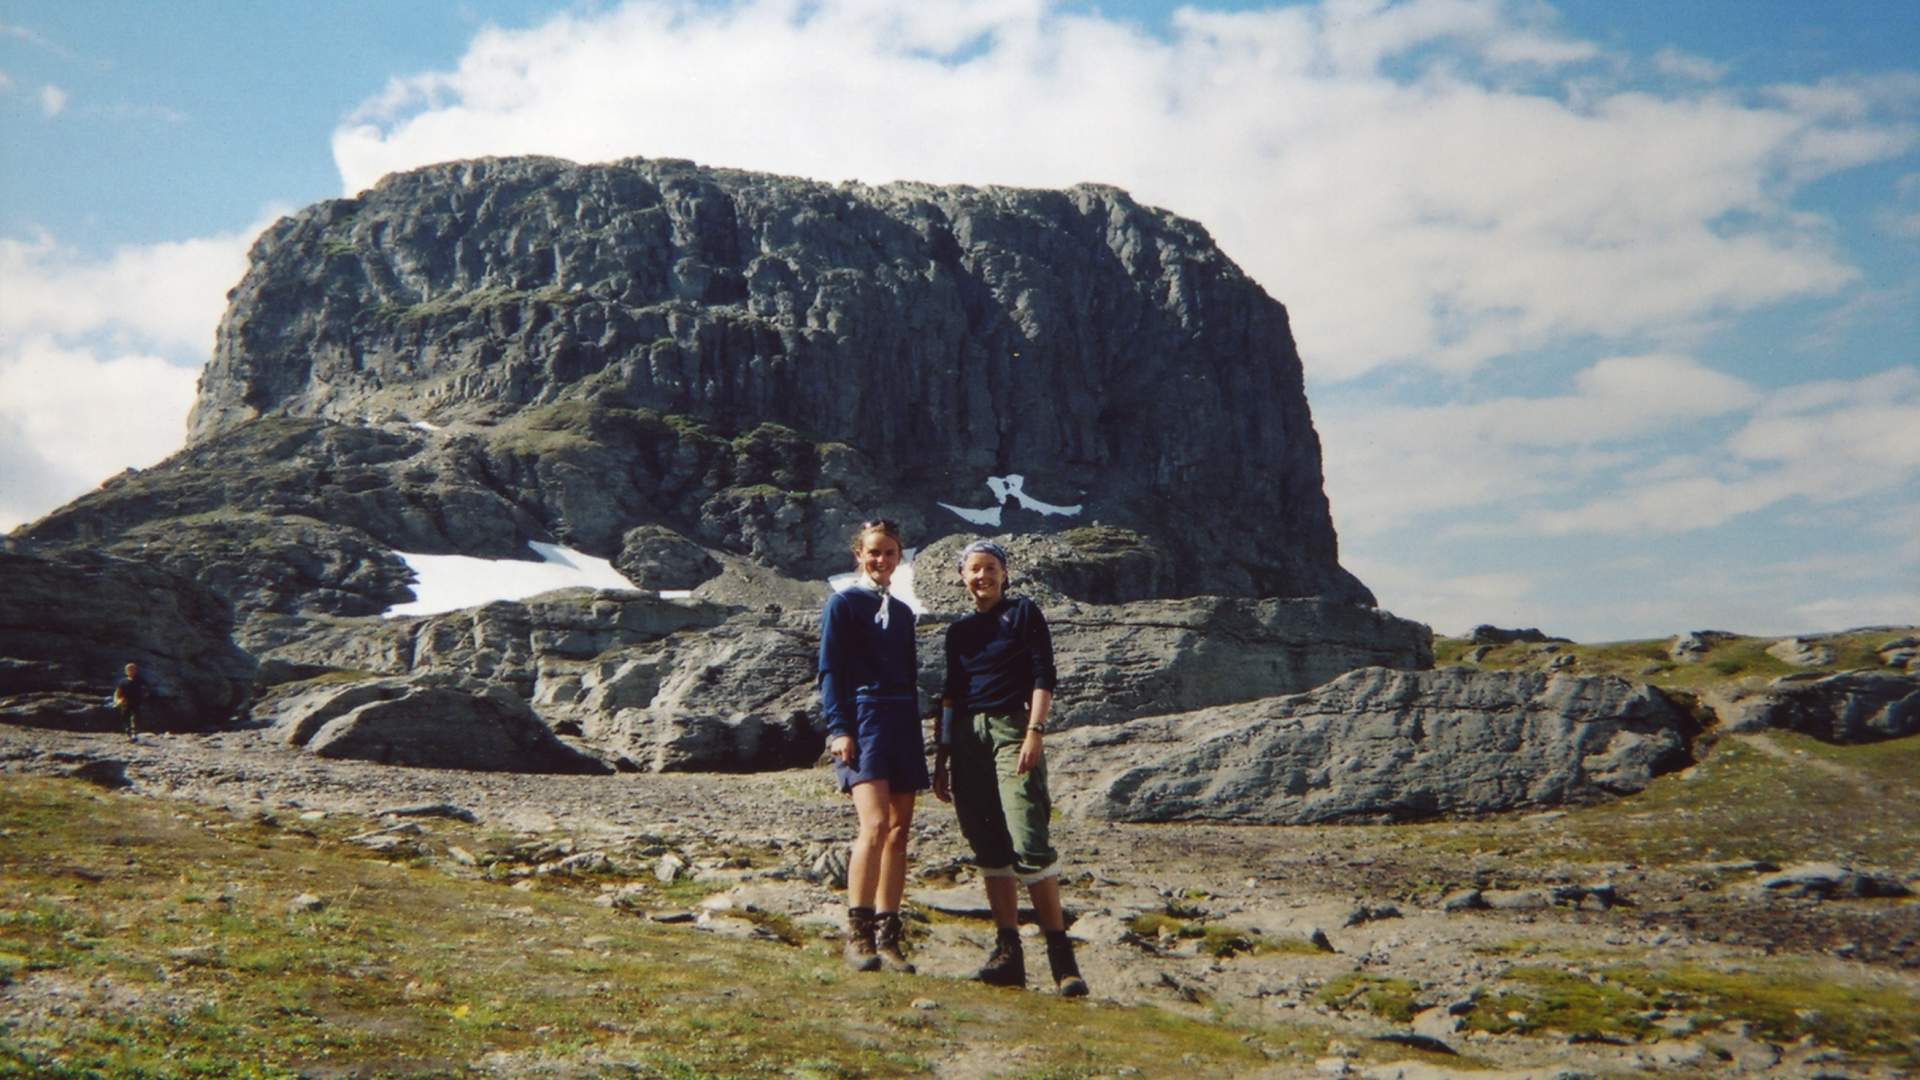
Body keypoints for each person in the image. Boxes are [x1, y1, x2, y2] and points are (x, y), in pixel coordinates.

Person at [934, 540, 1087, 996]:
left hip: (1010, 728)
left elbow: (1043, 675)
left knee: (1029, 838)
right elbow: (949, 695)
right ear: (963, 577)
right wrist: (942, 759)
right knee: (988, 844)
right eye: (973, 569)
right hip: (966, 737)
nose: (982, 576)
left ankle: (1063, 962)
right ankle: (1007, 956)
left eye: (990, 568)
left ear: (1005, 573)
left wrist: (1035, 731)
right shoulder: (958, 632)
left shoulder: (1023, 613)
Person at [818, 519, 928, 973]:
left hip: (903, 720)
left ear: (899, 557)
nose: (881, 560)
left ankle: (889, 936)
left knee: (900, 832)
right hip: (864, 719)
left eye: (889, 553)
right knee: (876, 824)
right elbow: (830, 671)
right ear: (859, 557)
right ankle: (857, 933)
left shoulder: (902, 613)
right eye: (873, 552)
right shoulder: (842, 604)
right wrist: (839, 728)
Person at [113, 662, 150, 741]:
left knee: (136, 718)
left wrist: (143, 696)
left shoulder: (140, 680)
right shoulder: (123, 682)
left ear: (136, 670)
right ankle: (129, 733)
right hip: (126, 703)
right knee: (125, 717)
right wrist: (118, 700)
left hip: (137, 702)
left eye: (132, 669)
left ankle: (135, 733)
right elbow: (118, 692)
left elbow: (146, 690)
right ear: (126, 671)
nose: (131, 671)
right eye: (129, 670)